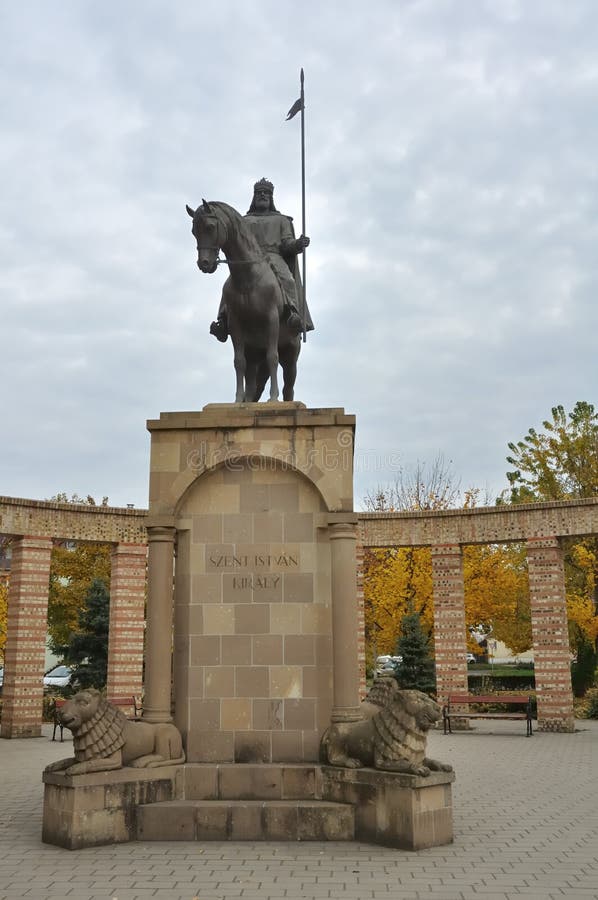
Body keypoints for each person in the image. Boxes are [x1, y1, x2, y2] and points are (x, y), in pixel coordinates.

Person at [210, 178, 314, 341]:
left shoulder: (282, 220)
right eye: (259, 193)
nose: (263, 195)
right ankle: (223, 319)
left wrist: (298, 244)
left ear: (271, 197)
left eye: (266, 193)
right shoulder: (244, 221)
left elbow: (287, 243)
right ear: (254, 196)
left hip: (274, 255)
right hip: (250, 259)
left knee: (288, 279)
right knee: (229, 284)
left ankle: (293, 313)